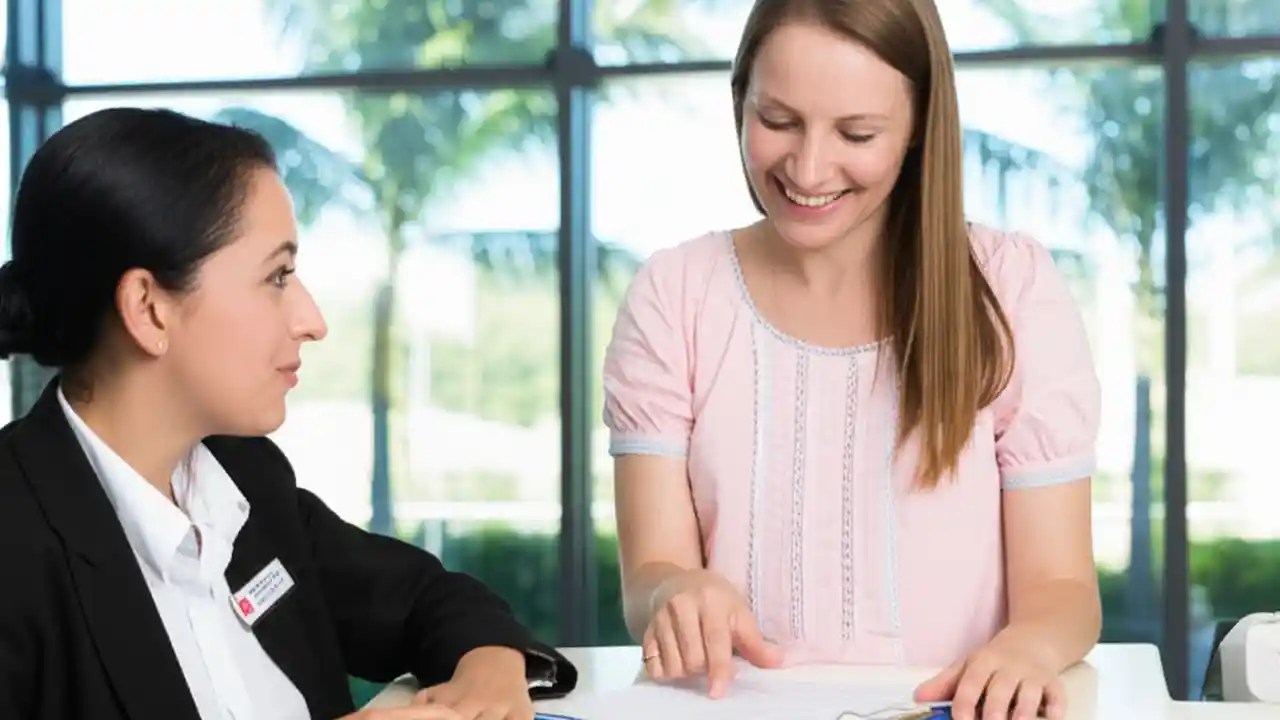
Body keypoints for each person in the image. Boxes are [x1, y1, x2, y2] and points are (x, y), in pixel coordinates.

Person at [602, 1, 1102, 719]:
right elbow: (650, 574)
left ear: (919, 129)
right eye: (777, 121)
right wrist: (673, 594)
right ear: (739, 98)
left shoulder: (1009, 289)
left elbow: (1063, 591)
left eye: (857, 133)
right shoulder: (675, 294)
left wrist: (1025, 649)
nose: (808, 167)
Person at [0, 107, 576, 720]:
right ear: (148, 308)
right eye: (277, 276)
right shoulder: (15, 543)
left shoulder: (244, 482)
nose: (313, 321)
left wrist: (488, 666)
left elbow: (424, 598)